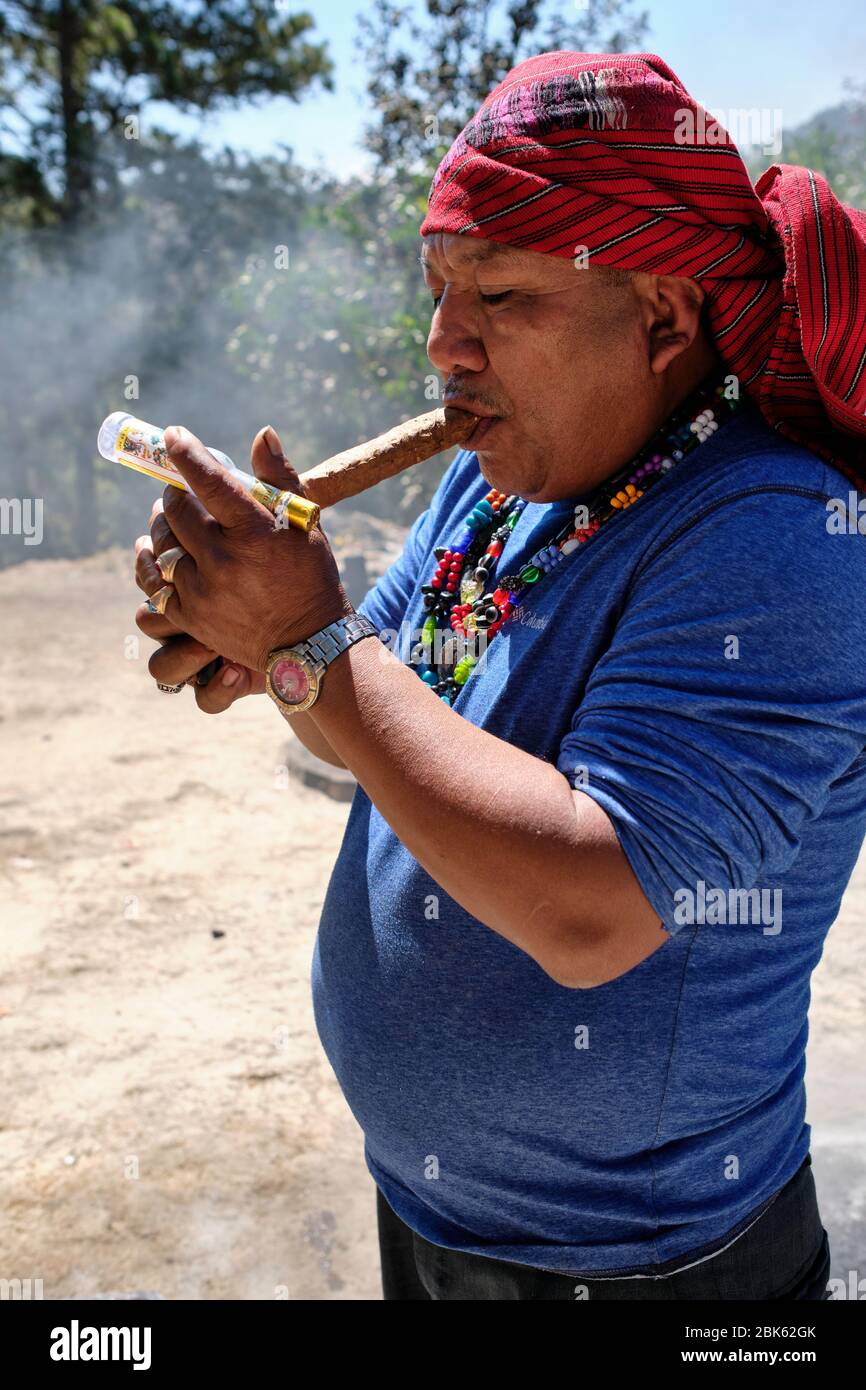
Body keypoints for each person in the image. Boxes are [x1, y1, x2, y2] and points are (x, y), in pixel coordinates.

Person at [133, 51, 866, 1300]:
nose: (442, 345)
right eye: (436, 292)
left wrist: (313, 646)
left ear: (661, 317)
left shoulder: (777, 535)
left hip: (652, 1269)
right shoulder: (492, 481)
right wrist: (269, 639)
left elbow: (592, 905)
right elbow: (378, 728)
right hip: (430, 1214)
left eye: (501, 296)